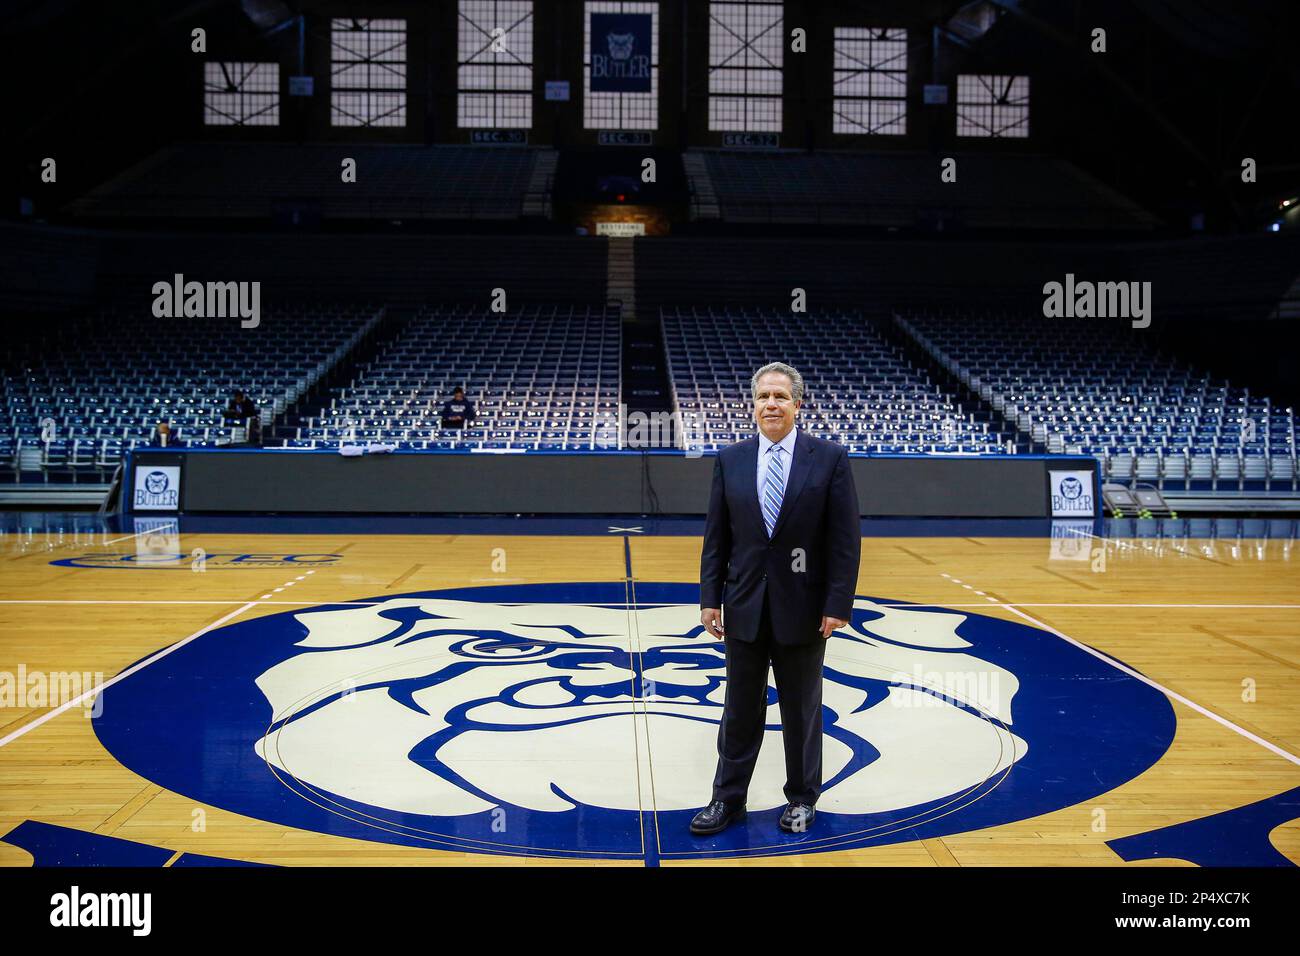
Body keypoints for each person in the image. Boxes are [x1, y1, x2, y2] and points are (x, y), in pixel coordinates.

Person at [692, 361, 861, 836]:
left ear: (797, 404)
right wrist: (710, 597)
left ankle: (802, 799)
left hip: (804, 610)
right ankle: (727, 800)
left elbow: (844, 540)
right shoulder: (730, 459)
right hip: (743, 605)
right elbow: (716, 537)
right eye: (764, 397)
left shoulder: (828, 458)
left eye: (781, 397)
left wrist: (837, 603)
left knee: (801, 711)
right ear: (753, 405)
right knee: (739, 710)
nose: (771, 404)